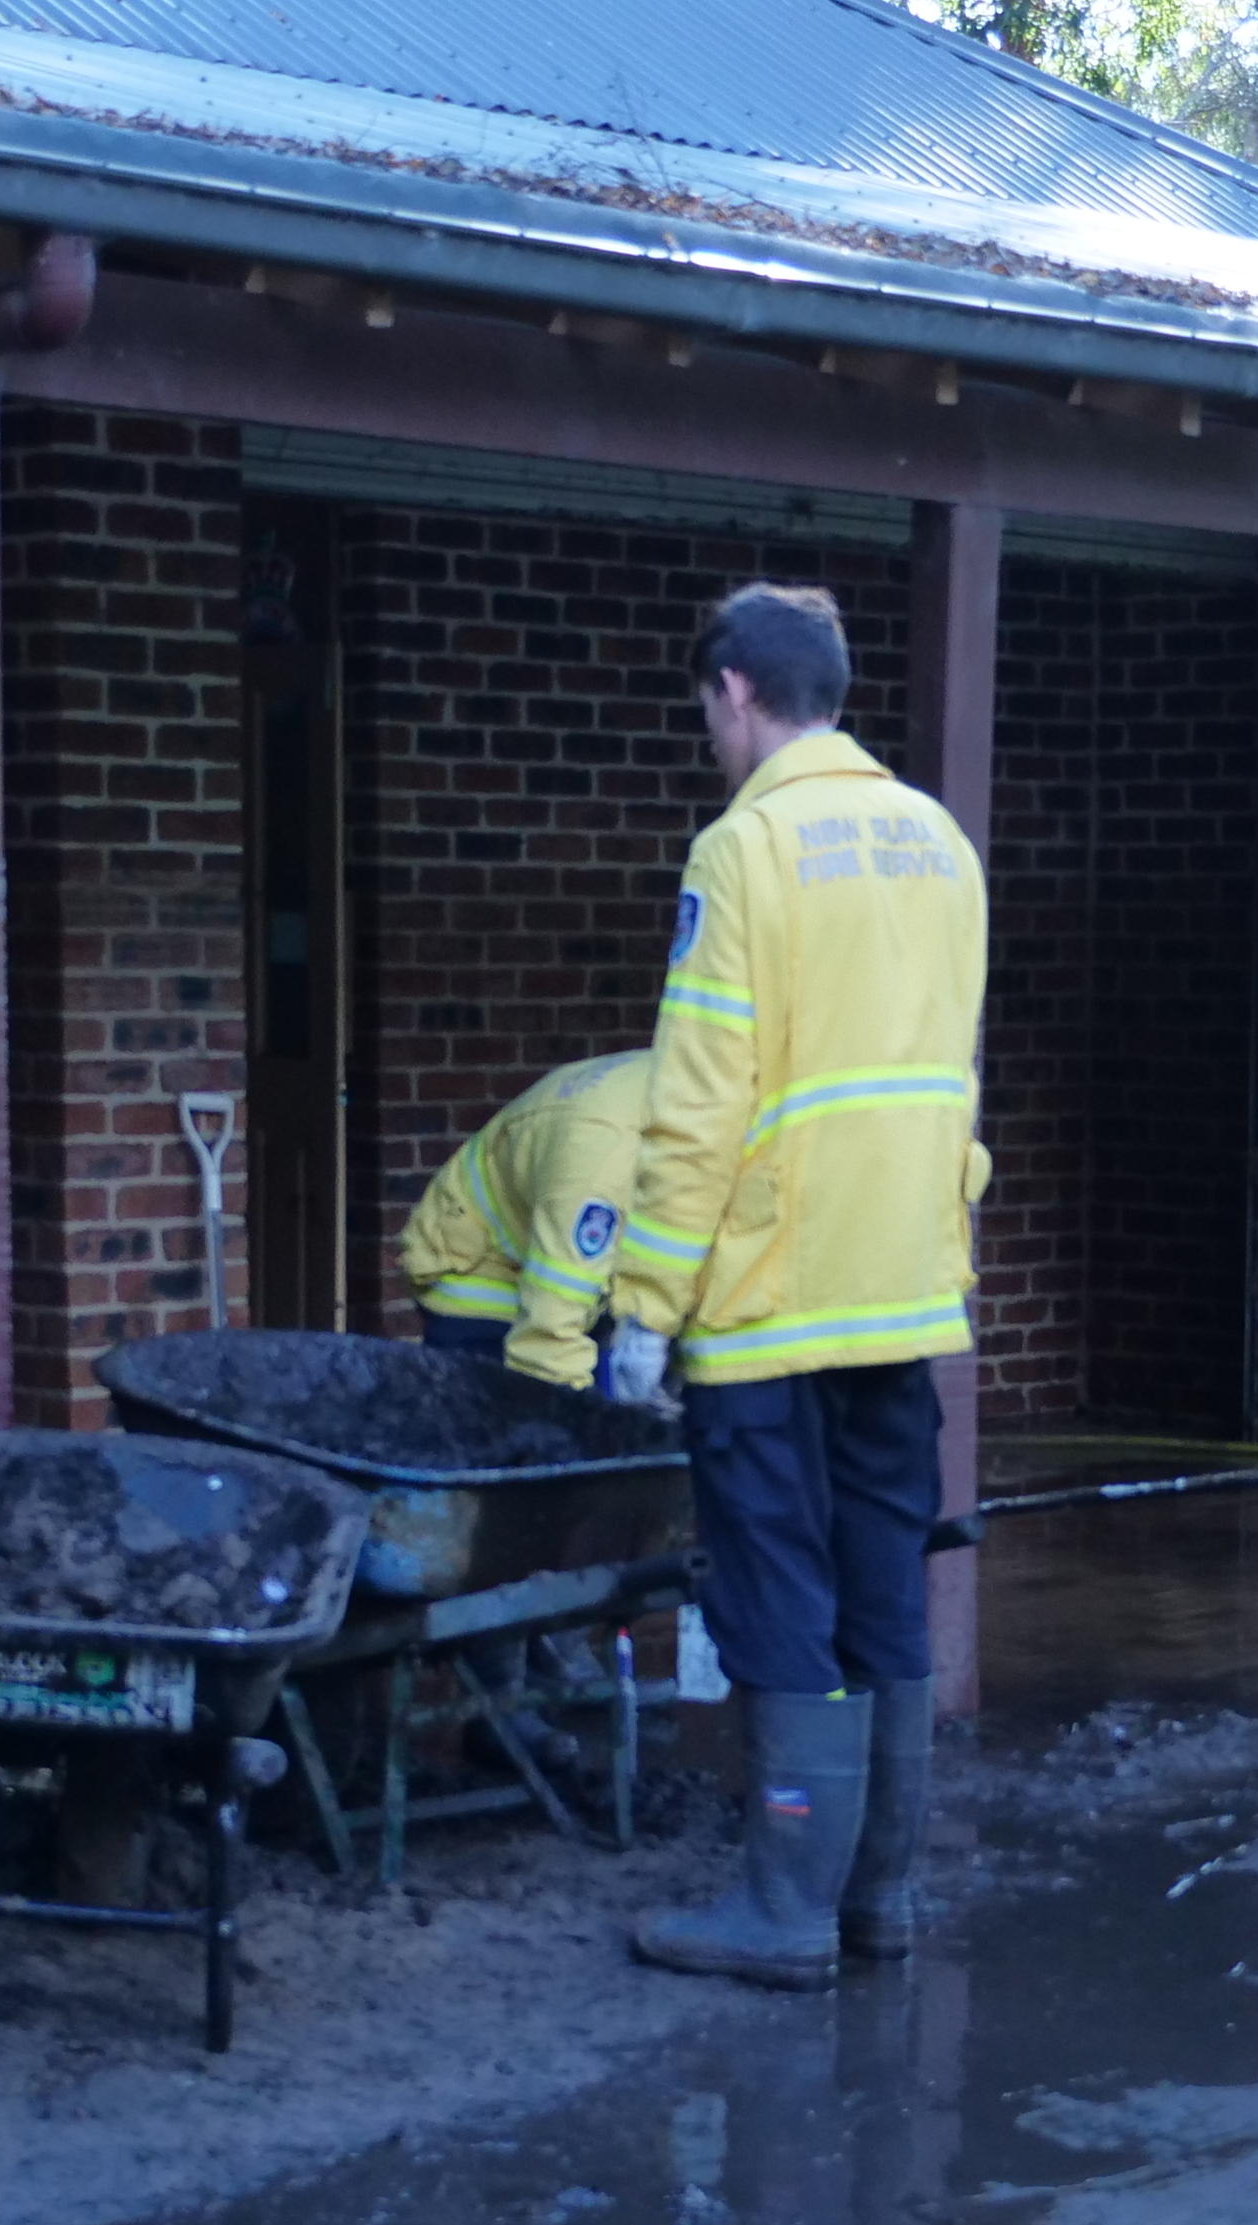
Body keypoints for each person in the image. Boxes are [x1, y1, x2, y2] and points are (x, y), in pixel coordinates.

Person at [600, 583, 988, 1993]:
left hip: (770, 1303)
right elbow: (952, 1082)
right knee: (885, 1582)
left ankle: (783, 1907)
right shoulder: (943, 846)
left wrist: (645, 1309)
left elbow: (698, 1104)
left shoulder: (746, 850)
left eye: (709, 712)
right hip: (903, 1296)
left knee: (776, 1592)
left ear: (736, 693)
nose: (711, 736)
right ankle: (878, 1899)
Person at [398, 1049, 645, 1383]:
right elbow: (551, 1331)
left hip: (571, 1271)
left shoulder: (699, 1087)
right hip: (482, 1268)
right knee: (491, 1420)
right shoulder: (603, 1156)